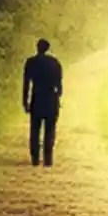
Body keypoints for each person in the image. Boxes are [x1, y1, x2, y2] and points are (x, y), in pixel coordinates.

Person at [22, 38, 62, 167]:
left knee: (35, 129)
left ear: (37, 47)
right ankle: (48, 158)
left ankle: (35, 158)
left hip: (37, 98)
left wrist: (25, 101)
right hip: (51, 99)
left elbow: (26, 84)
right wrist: (57, 97)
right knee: (49, 130)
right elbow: (60, 87)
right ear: (48, 48)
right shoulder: (55, 63)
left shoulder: (31, 62)